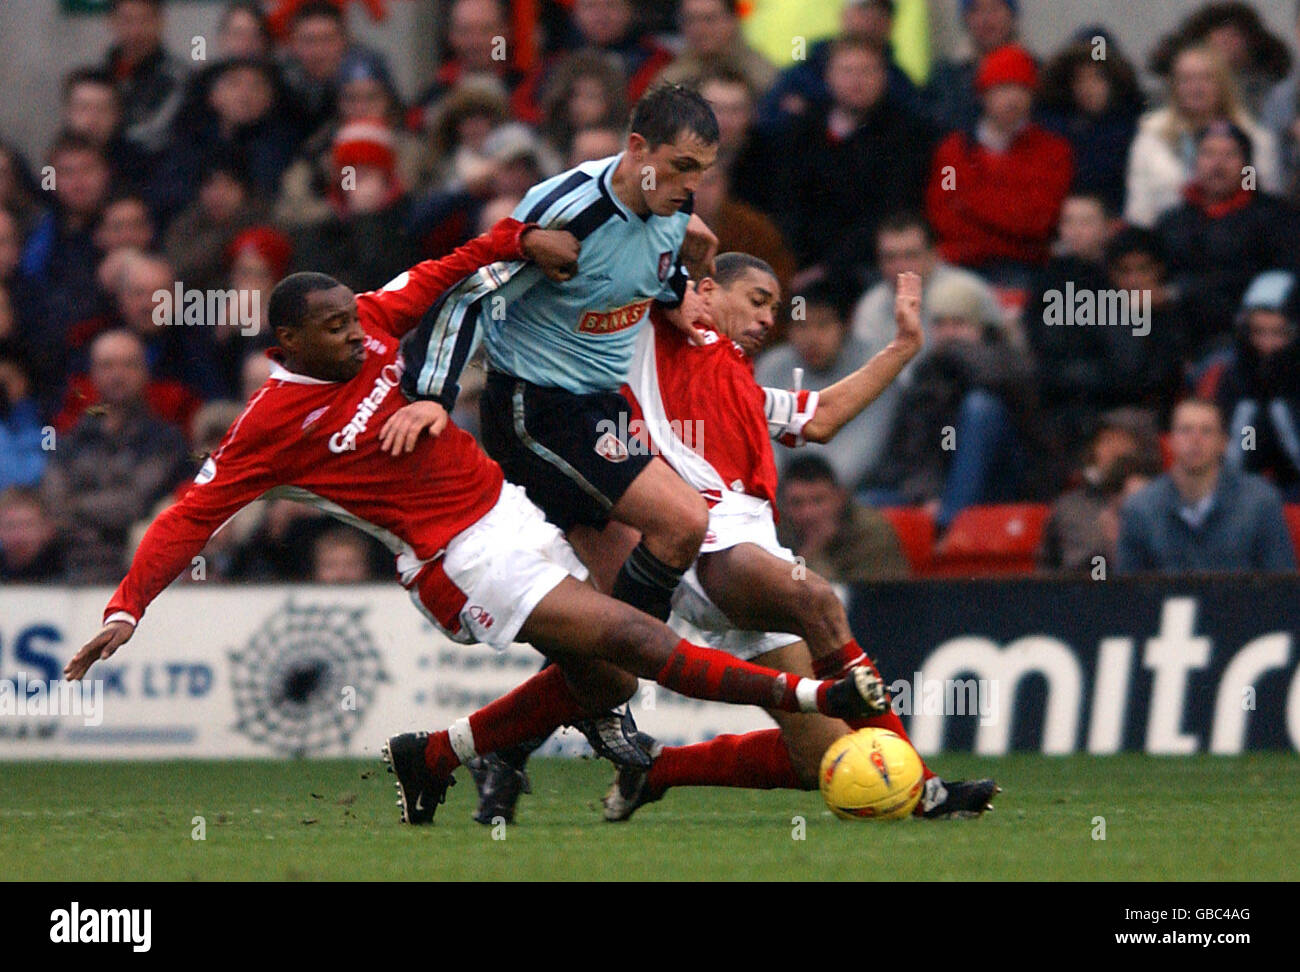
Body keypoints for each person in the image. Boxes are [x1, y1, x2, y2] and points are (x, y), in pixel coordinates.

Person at [64, 220, 889, 827]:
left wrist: (523, 236)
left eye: (355, 319)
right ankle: (812, 690)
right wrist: (125, 608)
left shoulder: (379, 325)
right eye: (335, 329)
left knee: (609, 680)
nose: (358, 335)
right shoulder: (271, 424)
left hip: (514, 511)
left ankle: (434, 755)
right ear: (289, 342)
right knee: (635, 641)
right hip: (460, 563)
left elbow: (451, 267)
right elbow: (189, 516)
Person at [470, 256, 995, 823]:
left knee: (820, 759)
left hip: (756, 547)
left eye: (775, 306)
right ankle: (927, 790)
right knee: (817, 602)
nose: (769, 316)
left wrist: (902, 348)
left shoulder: (739, 380)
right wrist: (683, 246)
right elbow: (635, 257)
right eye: (757, 299)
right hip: (705, 542)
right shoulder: (653, 340)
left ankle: (657, 769)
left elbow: (819, 419)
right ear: (707, 290)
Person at [394, 85, 721, 644]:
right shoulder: (568, 212)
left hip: (601, 407)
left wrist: (676, 294)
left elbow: (651, 261)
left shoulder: (676, 205)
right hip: (538, 409)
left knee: (626, 616)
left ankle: (533, 723)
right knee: (683, 521)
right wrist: (430, 394)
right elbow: (471, 293)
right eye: (682, 167)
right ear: (638, 148)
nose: (692, 185)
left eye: (703, 172)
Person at [774, 36, 933, 279]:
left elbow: (890, 210)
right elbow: (787, 201)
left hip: (871, 265)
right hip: (803, 262)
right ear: (829, 76)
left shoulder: (907, 134)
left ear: (883, 76)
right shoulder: (802, 130)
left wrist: (827, 269)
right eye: (847, 71)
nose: (857, 81)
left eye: (867, 71)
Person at [40, 330, 190, 584]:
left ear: (145, 372)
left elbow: (133, 504)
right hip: (69, 570)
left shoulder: (166, 440)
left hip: (140, 575)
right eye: (107, 366)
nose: (117, 375)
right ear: (93, 374)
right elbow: (53, 508)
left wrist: (76, 507)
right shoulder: (71, 440)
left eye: (128, 365)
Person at [926, 43, 1073, 288]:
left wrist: (968, 200)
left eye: (1022, 89)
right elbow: (942, 211)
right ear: (983, 94)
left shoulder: (1052, 151)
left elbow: (1037, 220)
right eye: (1003, 88)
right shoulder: (953, 151)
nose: (1013, 98)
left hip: (1021, 268)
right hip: (959, 266)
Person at [1155, 120, 1297, 364]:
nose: (1217, 164)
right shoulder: (1171, 221)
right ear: (1195, 161)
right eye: (1208, 154)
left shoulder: (1273, 217)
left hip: (1243, 342)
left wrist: (1182, 292)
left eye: (1229, 155)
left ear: (1246, 165)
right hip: (1175, 339)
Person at [1117, 398, 1296, 573]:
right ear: (1170, 440)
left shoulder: (1260, 502)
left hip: (1239, 602)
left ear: (1223, 442)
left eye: (1207, 431)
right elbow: (1130, 592)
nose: (1195, 440)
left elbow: (1282, 584)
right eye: (1186, 430)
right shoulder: (1140, 508)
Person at [1126, 43, 1280, 228]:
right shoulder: (1152, 136)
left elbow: (1262, 198)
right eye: (1186, 79)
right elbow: (1139, 209)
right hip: (1167, 242)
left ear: (1223, 84)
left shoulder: (1253, 137)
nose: (1196, 87)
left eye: (1206, 78)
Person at [757, 282, 886, 492]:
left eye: (822, 325)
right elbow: (764, 442)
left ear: (847, 325)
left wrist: (814, 491)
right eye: (801, 326)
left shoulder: (874, 365)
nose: (811, 338)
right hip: (787, 492)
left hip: (862, 491)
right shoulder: (773, 367)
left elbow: (867, 446)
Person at [1200, 269, 1300, 499]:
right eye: (1258, 332)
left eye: (1278, 333)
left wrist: (1279, 404)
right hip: (1252, 489)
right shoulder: (1236, 374)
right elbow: (1241, 454)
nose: (1267, 344)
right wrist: (1252, 403)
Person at [1037, 408, 1164, 573]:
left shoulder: (1166, 504)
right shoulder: (1070, 508)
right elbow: (1048, 573)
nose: (1113, 450)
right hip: (1085, 593)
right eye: (1106, 441)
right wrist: (1104, 552)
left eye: (1123, 441)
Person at [1036, 32, 1144, 213]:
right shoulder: (1052, 128)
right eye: (1080, 78)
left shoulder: (1135, 129)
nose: (1088, 87)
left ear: (1114, 80)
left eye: (1097, 77)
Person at [776, 454, 909, 583]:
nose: (808, 513)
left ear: (839, 498)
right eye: (796, 503)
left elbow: (866, 598)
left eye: (818, 500)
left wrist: (813, 554)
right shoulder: (777, 528)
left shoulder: (870, 532)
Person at [101, 0, 189, 155]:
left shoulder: (180, 78)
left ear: (160, 22)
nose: (136, 30)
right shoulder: (98, 77)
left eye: (144, 20)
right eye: (127, 20)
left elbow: (156, 135)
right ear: (111, 22)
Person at [924, 0, 1022, 135]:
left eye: (995, 9)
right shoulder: (947, 78)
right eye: (976, 10)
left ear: (1011, 15)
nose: (986, 19)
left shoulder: (1035, 73)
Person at [0, 487, 66, 583]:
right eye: (10, 526)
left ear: (47, 529)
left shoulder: (67, 568)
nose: (19, 535)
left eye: (28, 525)